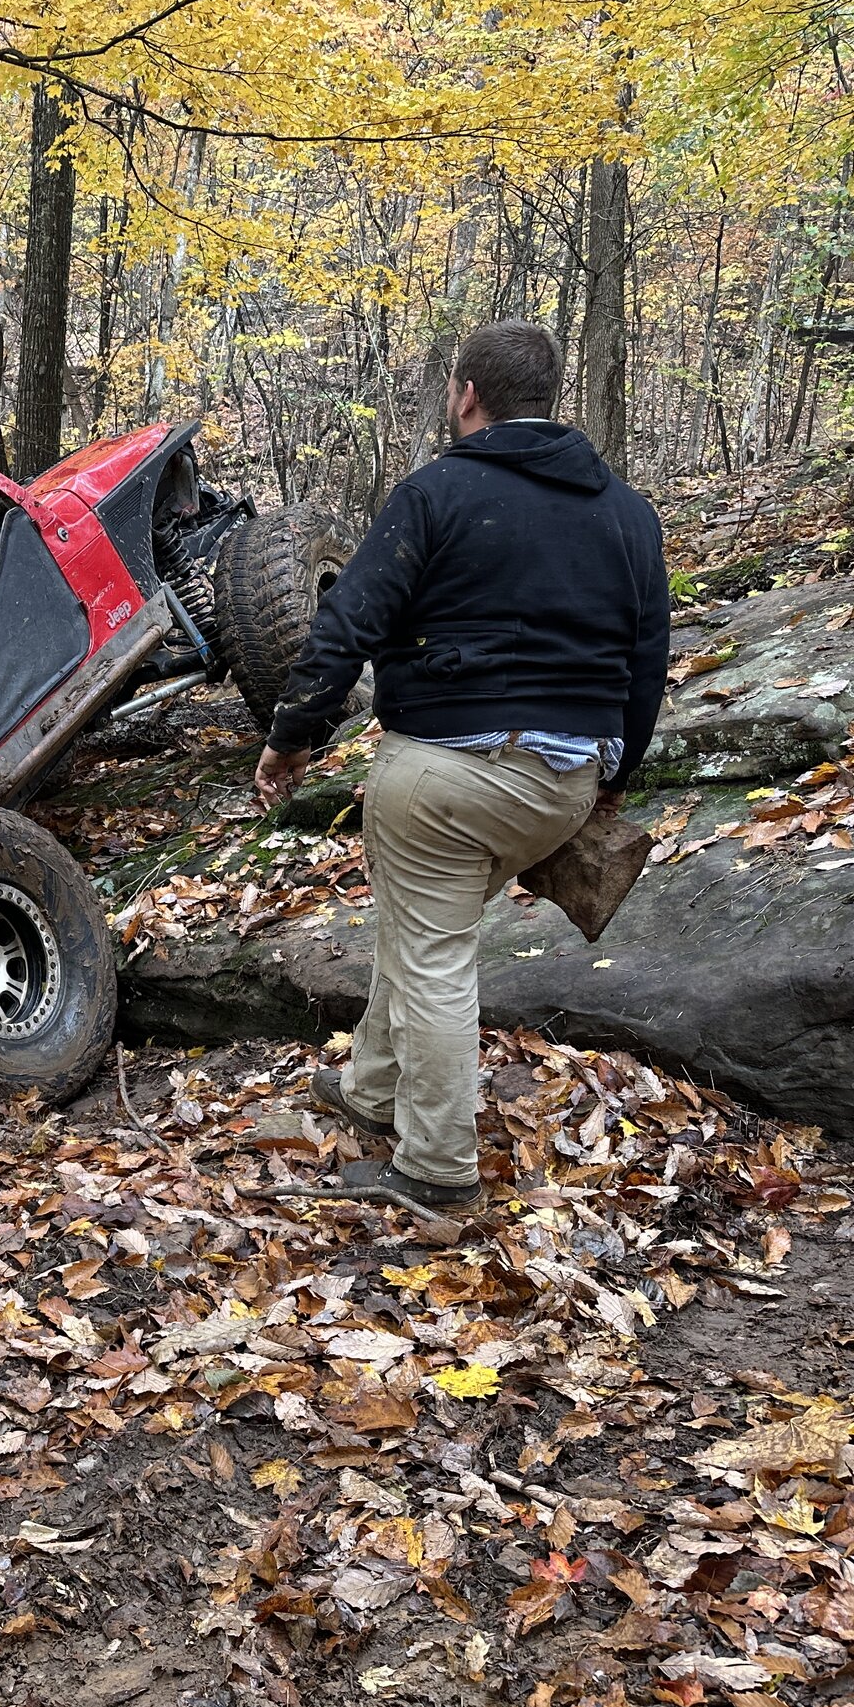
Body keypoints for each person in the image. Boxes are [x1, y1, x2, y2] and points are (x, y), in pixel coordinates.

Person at [252, 319, 669, 1214]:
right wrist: (615, 777)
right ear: (546, 399)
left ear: (467, 394)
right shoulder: (628, 514)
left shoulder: (437, 491)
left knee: (435, 955)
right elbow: (646, 663)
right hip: (564, 784)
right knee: (422, 926)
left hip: (445, 775)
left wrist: (291, 738)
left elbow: (343, 626)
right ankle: (370, 1091)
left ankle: (437, 1170)